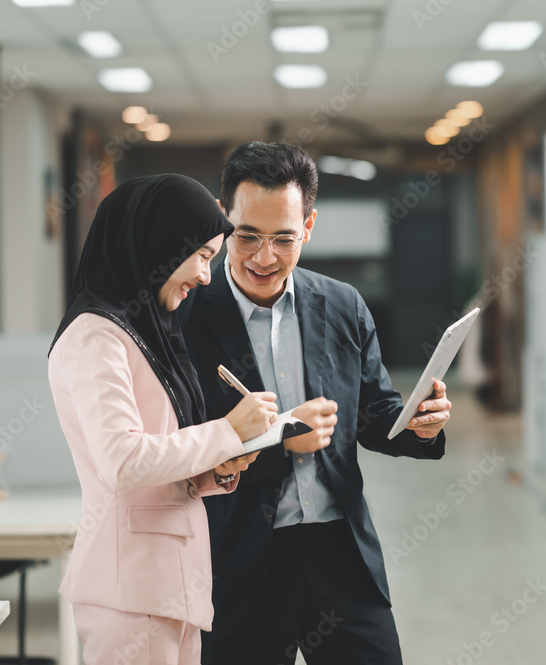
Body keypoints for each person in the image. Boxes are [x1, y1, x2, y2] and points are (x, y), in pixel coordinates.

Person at [178, 141, 454, 664]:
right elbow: (181, 448)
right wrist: (283, 436)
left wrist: (418, 424)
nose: (264, 257)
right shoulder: (186, 319)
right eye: (247, 236)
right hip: (240, 561)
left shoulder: (342, 305)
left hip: (340, 556)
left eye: (284, 237)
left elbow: (374, 416)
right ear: (222, 219)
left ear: (308, 225)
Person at [47, 174, 279, 665]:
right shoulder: (96, 336)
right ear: (158, 244)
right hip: (131, 589)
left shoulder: (143, 330)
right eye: (201, 255)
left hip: (166, 586)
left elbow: (158, 451)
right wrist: (228, 431)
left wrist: (222, 464)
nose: (206, 275)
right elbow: (123, 460)